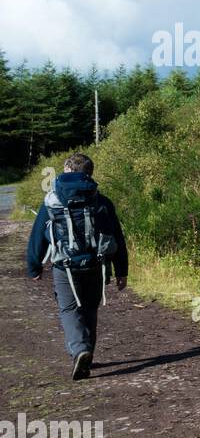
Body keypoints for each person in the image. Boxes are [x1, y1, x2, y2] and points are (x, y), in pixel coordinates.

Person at [26, 153, 128, 380]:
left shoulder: (52, 200)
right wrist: (122, 270)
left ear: (67, 169)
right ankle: (87, 351)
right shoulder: (101, 200)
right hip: (97, 264)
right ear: (89, 172)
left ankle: (80, 350)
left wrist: (34, 266)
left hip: (65, 265)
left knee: (70, 309)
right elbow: (117, 237)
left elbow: (37, 236)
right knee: (90, 307)